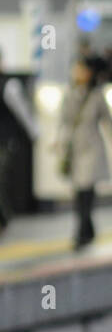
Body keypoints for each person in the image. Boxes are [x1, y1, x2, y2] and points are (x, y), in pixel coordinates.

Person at [56, 55, 112, 250]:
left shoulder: (97, 95)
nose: (77, 73)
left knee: (86, 191)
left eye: (81, 69)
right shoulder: (69, 93)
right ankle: (88, 229)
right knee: (79, 192)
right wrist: (58, 142)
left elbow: (109, 122)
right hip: (75, 149)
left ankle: (81, 233)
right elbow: (63, 121)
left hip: (92, 148)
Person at [0, 47, 40, 233]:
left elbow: (23, 112)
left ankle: (4, 219)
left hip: (5, 142)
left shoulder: (10, 85)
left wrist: (34, 133)